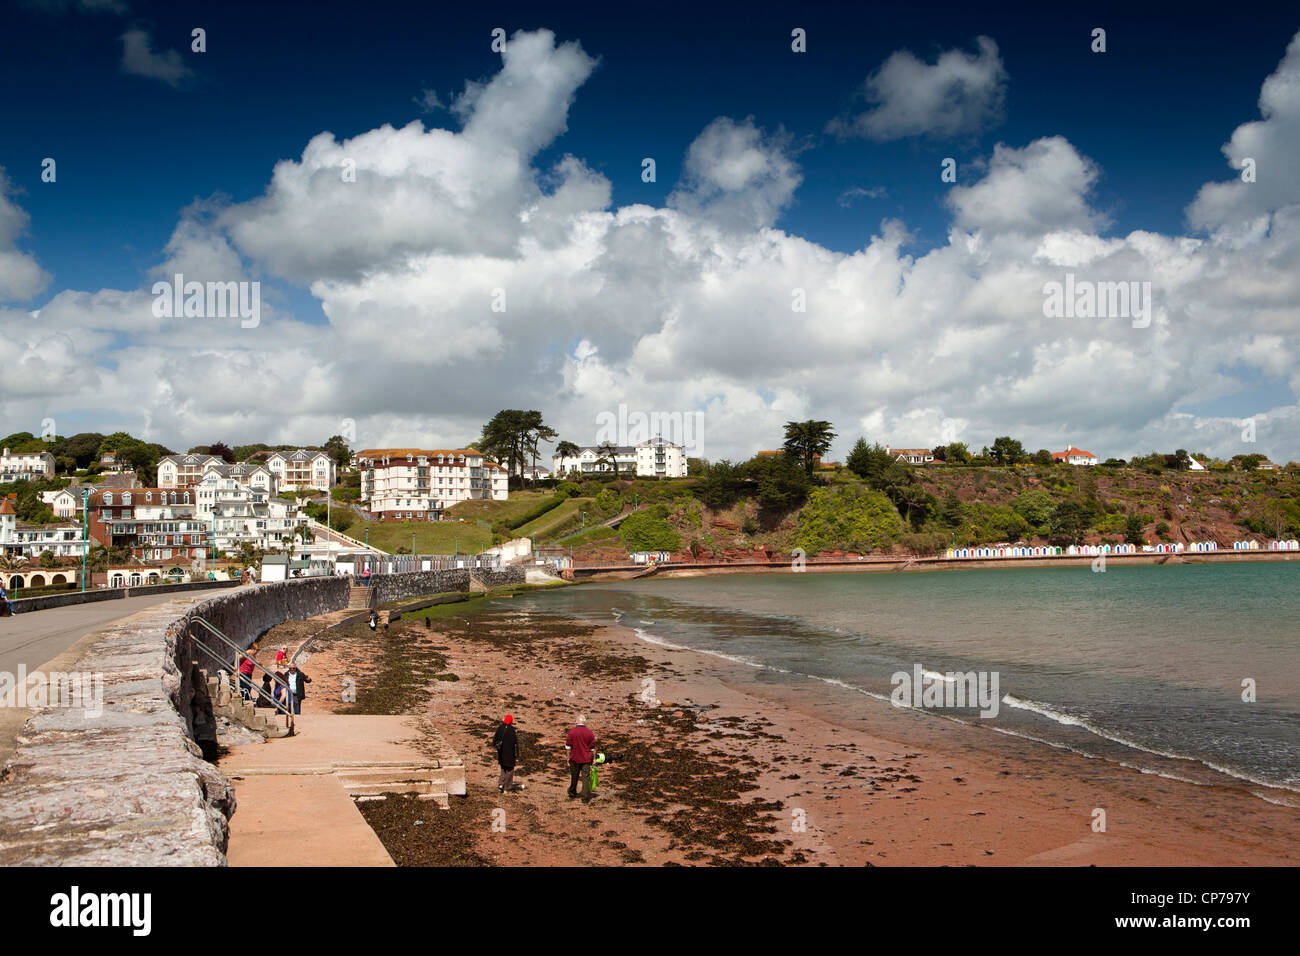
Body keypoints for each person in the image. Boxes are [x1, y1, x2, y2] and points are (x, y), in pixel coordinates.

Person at [565, 715, 597, 803]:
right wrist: (594, 759)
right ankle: (585, 797)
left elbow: (568, 747)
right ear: (584, 722)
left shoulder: (572, 732)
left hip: (574, 758)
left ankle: (572, 793)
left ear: (576, 722)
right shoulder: (589, 732)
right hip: (586, 759)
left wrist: (568, 758)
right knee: (585, 778)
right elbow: (593, 748)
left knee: (574, 777)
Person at [493, 715, 521, 793]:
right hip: (509, 754)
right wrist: (517, 755)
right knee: (510, 769)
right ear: (511, 721)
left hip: (501, 753)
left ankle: (501, 784)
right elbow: (515, 743)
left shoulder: (499, 728)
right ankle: (507, 788)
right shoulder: (512, 730)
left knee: (503, 768)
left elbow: (494, 740)